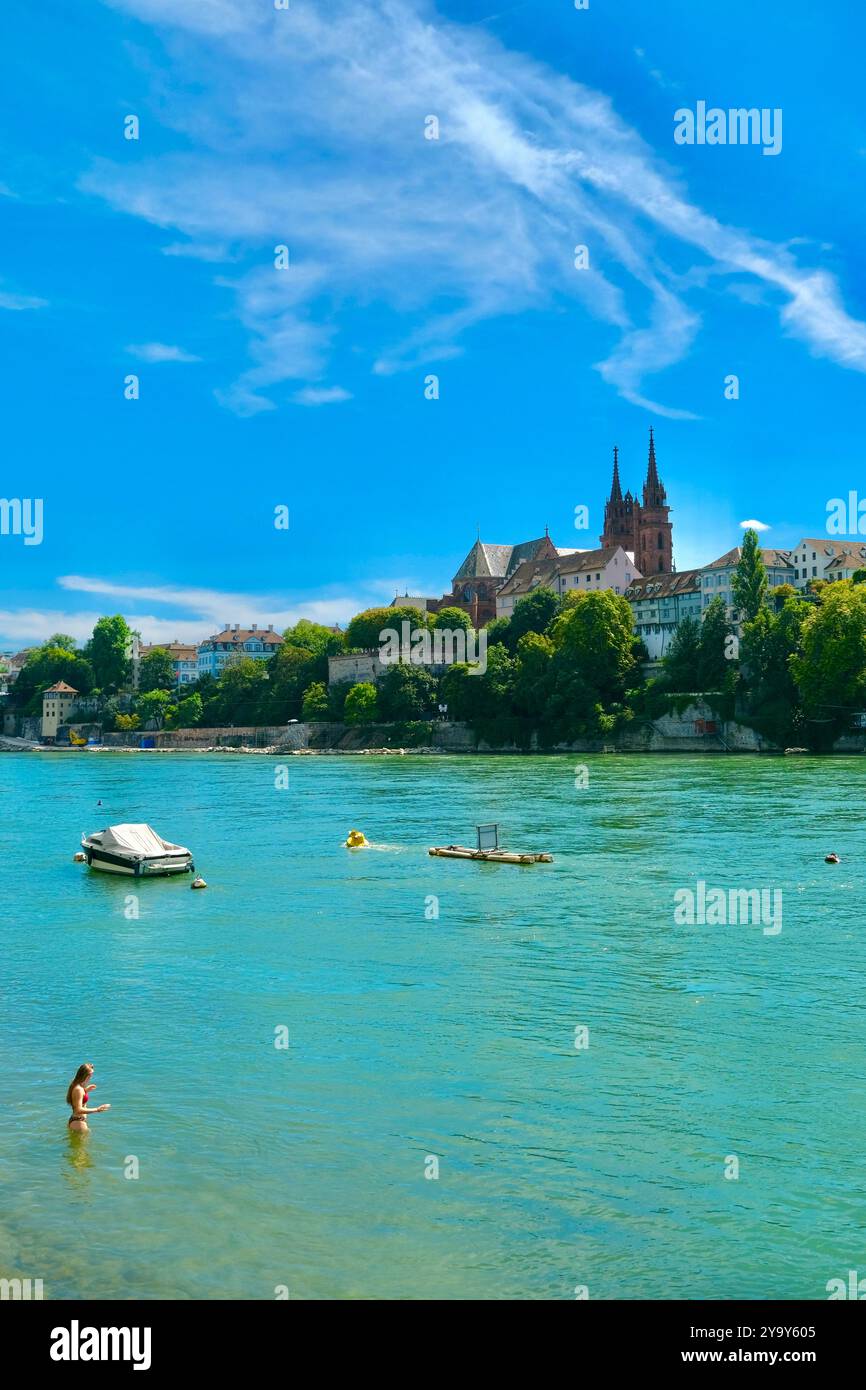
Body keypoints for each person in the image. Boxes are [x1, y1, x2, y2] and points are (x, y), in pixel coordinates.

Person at [66, 1062, 110, 1133]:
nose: (91, 1077)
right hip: (78, 1122)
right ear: (85, 1075)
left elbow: (76, 1099)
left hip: (77, 1120)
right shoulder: (78, 1089)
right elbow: (78, 1110)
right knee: (83, 1143)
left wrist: (85, 1091)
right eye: (90, 1075)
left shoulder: (77, 1086)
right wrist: (97, 1109)